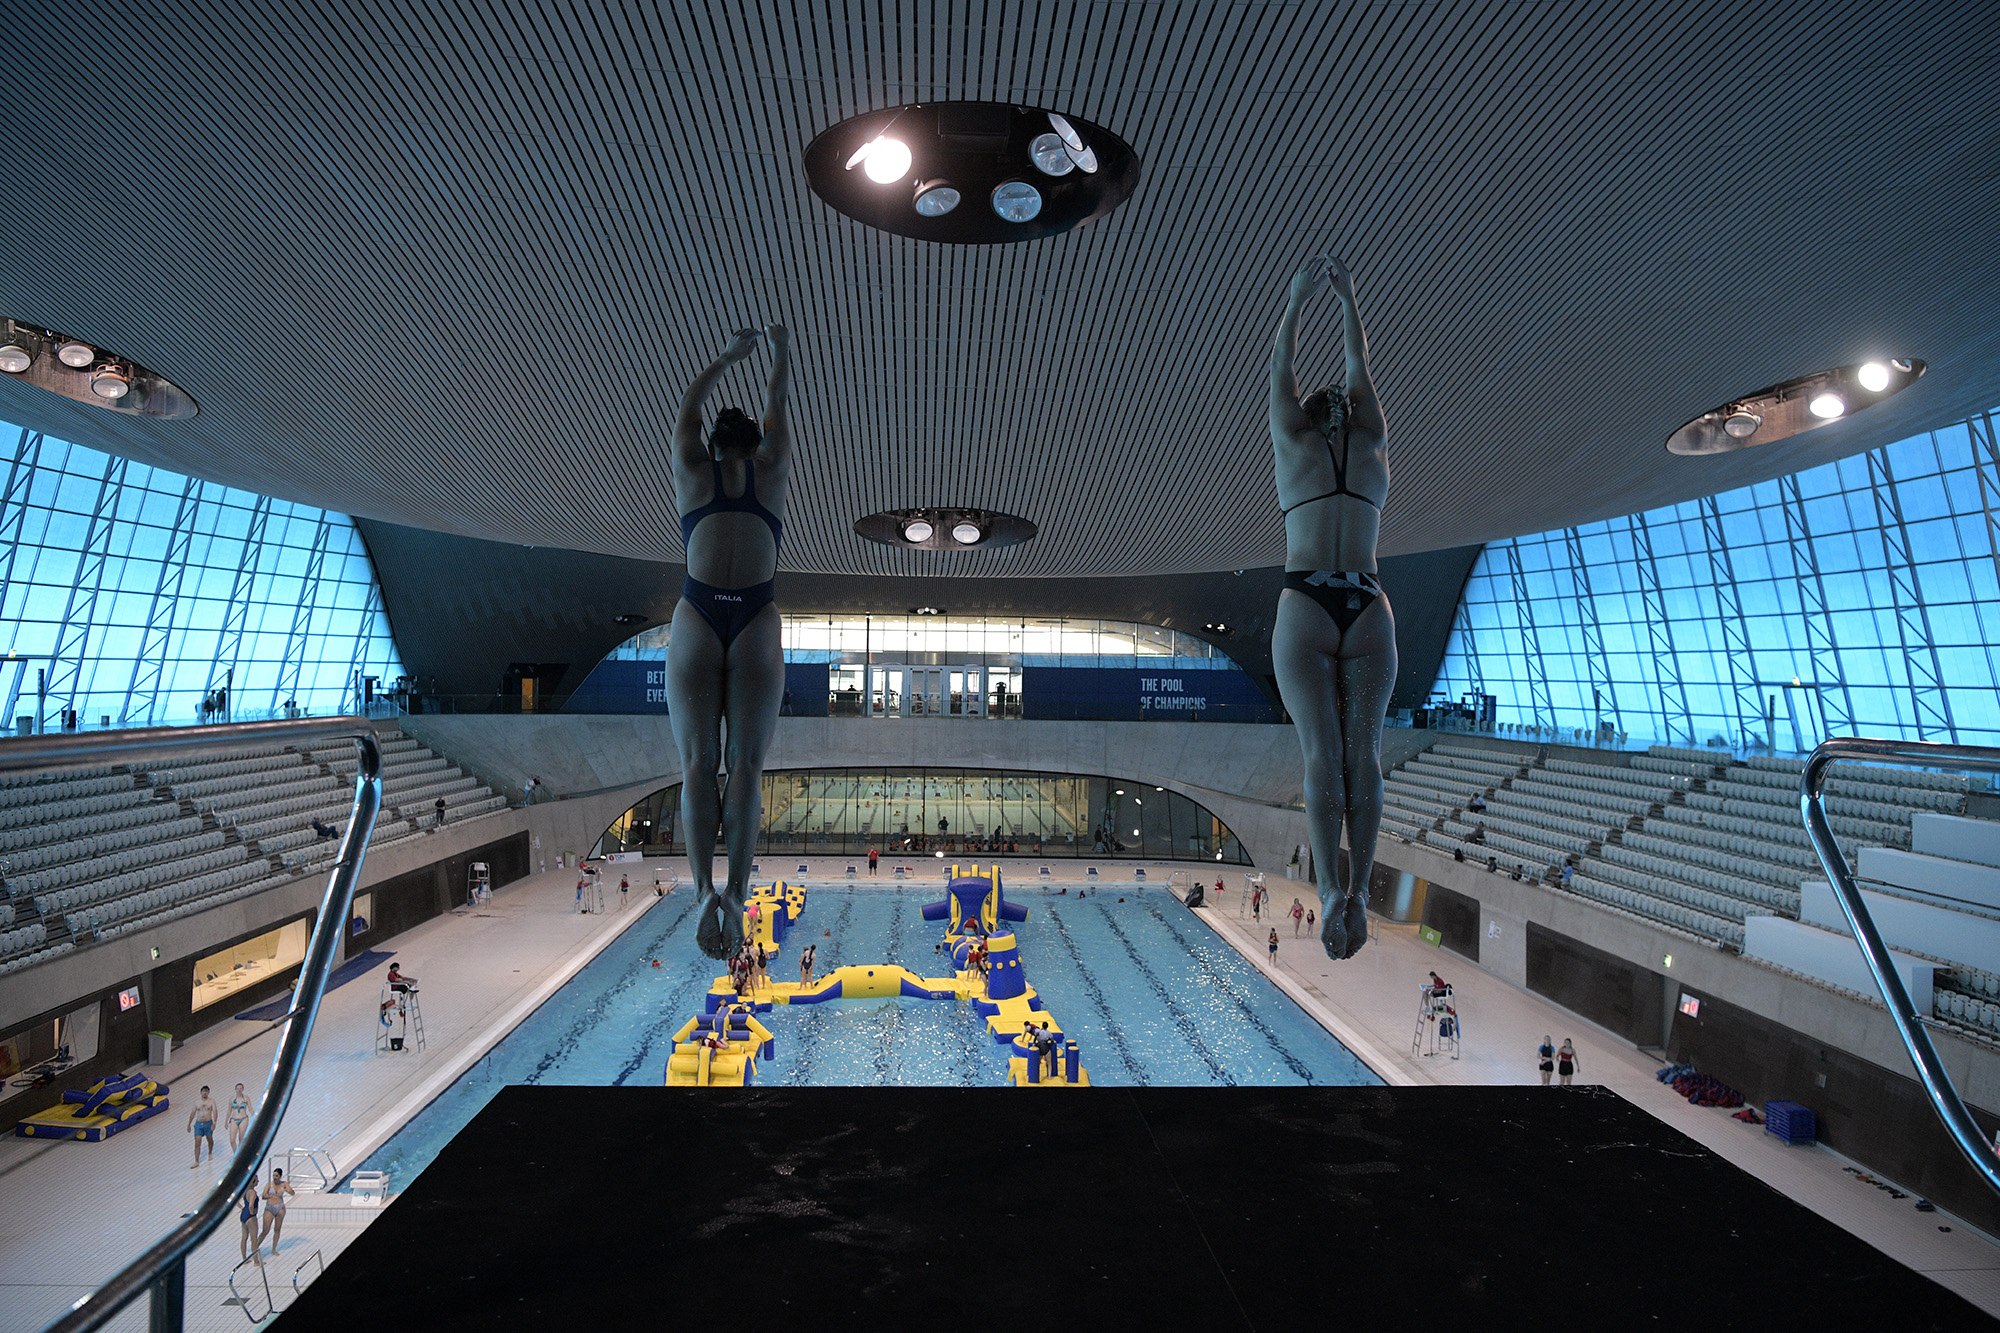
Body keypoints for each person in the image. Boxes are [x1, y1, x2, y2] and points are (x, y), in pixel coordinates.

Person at [1269, 255, 1394, 962]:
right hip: (1369, 602)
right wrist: (1350, 300)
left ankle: (1326, 893)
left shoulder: (1293, 443)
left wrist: (1295, 301)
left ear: (1308, 421)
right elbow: (1358, 363)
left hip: (1308, 600)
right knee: (1363, 755)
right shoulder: (1373, 441)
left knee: (1320, 753)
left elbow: (1281, 366)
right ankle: (1363, 892)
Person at [668, 325, 793, 961]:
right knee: (745, 764)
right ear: (754, 446)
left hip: (696, 613)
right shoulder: (772, 476)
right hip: (755, 618)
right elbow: (780, 405)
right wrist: (778, 351)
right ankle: (738, 895)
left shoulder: (694, 471)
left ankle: (701, 895)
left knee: (697, 763)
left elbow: (687, 408)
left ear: (716, 446)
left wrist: (724, 359)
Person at [259, 1167, 296, 1254]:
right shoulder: (269, 1184)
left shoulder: (284, 1184)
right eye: (274, 1175)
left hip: (280, 1208)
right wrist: (271, 1196)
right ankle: (255, 1247)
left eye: (276, 1176)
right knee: (265, 1230)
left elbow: (292, 1193)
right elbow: (263, 1196)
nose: (274, 1177)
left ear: (280, 1176)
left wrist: (285, 1190)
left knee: (277, 1229)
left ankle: (274, 1249)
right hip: (269, 1208)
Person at [187, 1085, 217, 1169]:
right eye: (203, 1091)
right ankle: (196, 1161)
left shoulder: (211, 1102)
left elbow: (215, 1112)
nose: (205, 1093)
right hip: (199, 1124)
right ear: (201, 1092)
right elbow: (192, 1114)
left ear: (208, 1092)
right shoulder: (197, 1102)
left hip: (208, 1123)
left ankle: (210, 1152)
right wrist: (189, 1124)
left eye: (206, 1091)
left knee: (209, 1139)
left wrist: (214, 1123)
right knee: (197, 1142)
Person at [238, 1172, 262, 1266]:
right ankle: (256, 1261)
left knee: (244, 1237)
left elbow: (235, 1200)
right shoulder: (253, 1192)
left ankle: (244, 1259)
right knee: (254, 1239)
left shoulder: (245, 1190)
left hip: (243, 1215)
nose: (258, 1181)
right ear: (253, 1182)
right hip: (250, 1217)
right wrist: (252, 1213)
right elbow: (251, 1205)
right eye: (257, 1180)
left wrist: (241, 1208)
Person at [226, 1082, 251, 1151]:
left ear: (242, 1089)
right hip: (234, 1119)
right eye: (238, 1088)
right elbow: (229, 1111)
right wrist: (226, 1121)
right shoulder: (232, 1099)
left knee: (241, 1138)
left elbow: (250, 1109)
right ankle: (235, 1154)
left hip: (243, 1119)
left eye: (240, 1088)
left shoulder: (246, 1098)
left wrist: (255, 1117)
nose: (239, 1090)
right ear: (235, 1089)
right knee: (232, 1139)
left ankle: (240, 1154)